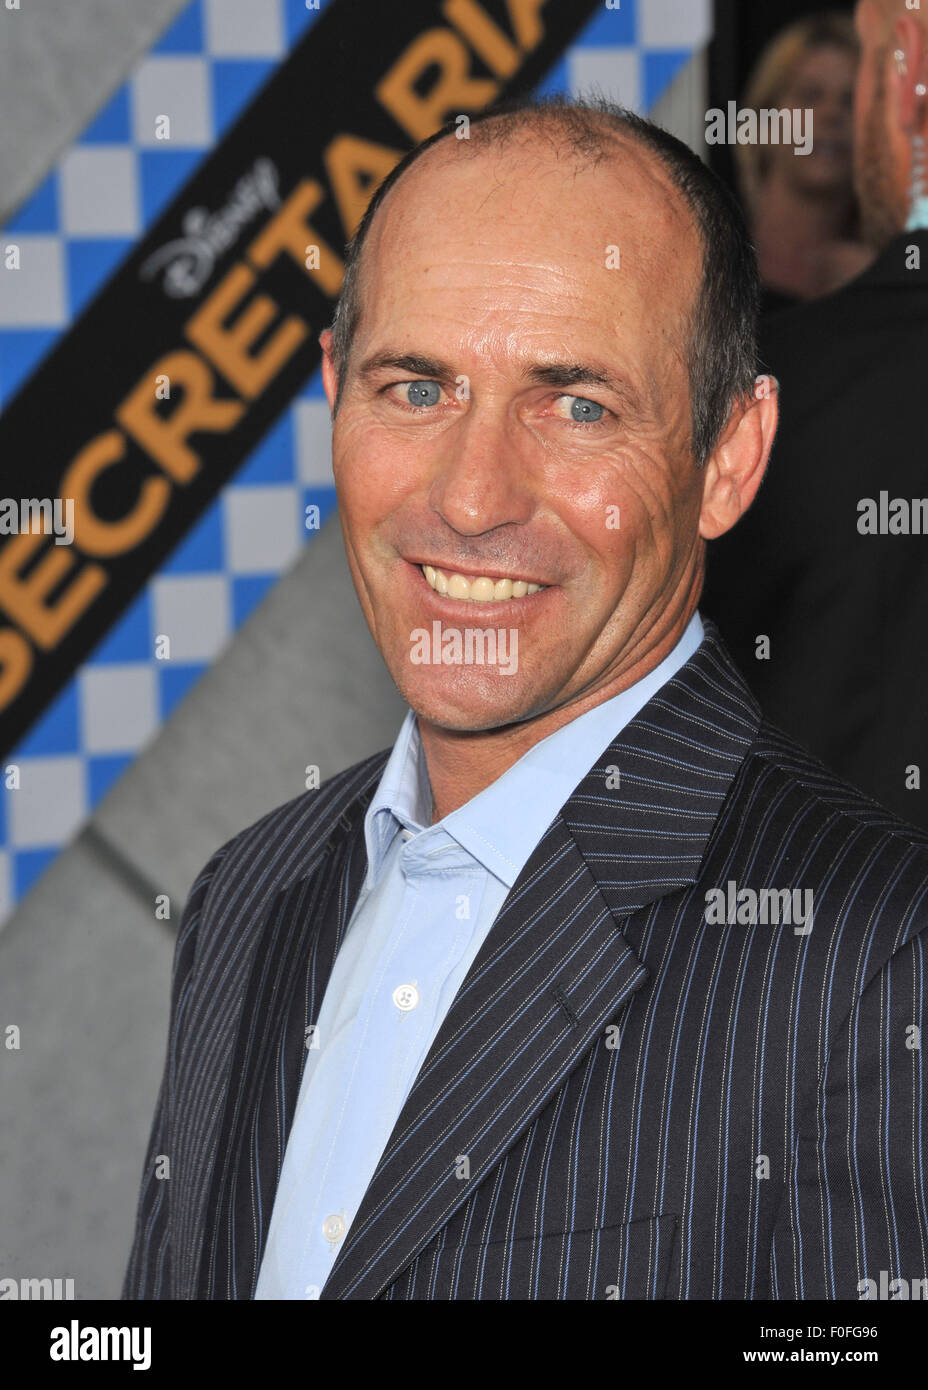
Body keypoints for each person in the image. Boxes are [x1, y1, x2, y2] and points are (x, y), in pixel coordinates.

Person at [122, 93, 928, 1302]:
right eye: (415, 387)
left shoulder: (874, 960)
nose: (470, 494)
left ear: (728, 458)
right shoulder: (250, 894)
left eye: (577, 404)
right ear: (334, 389)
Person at [703, 0, 928, 832]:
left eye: (851, 91)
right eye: (812, 95)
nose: (832, 117)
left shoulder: (850, 340)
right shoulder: (709, 310)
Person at [735, 12, 873, 315]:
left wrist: (873, 299)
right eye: (810, 96)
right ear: (761, 125)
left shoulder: (883, 279)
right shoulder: (712, 258)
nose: (831, 114)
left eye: (850, 101)